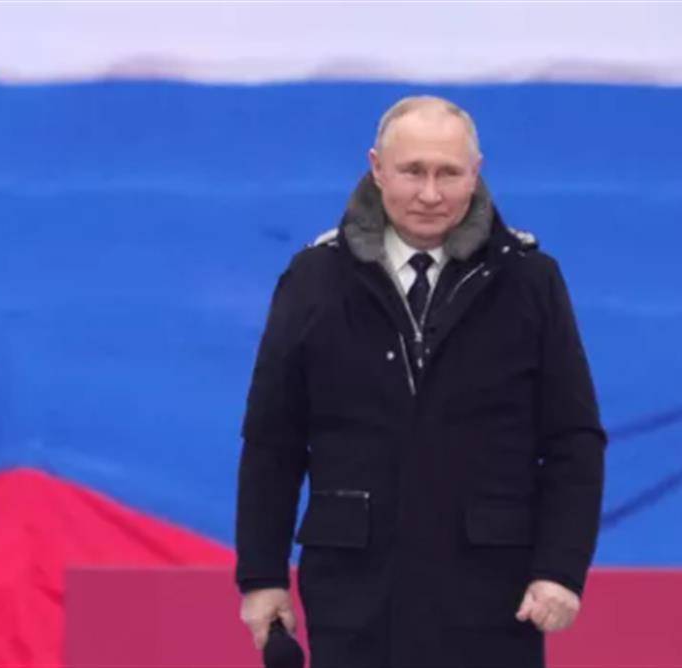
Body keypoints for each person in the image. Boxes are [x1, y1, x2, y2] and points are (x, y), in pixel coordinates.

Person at [235, 95, 606, 668]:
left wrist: (560, 571)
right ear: (377, 168)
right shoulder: (313, 280)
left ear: (475, 173)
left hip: (492, 599)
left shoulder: (531, 281)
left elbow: (573, 441)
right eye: (412, 171)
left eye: (448, 173)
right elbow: (272, 442)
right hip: (352, 598)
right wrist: (262, 577)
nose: (430, 194)